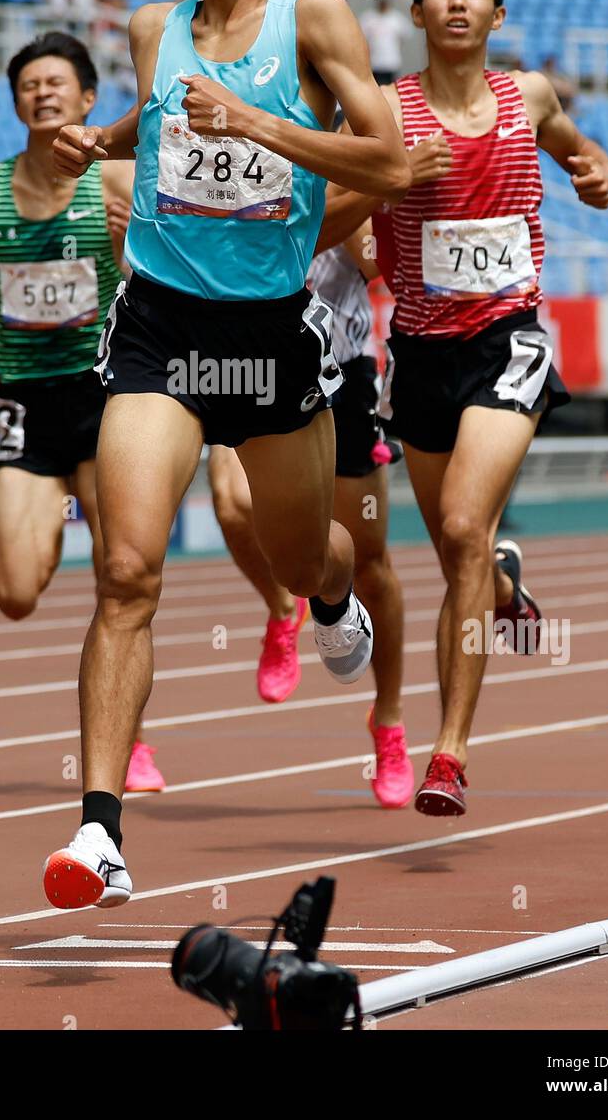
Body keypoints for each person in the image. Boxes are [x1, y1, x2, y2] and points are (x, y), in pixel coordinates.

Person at [41, 0, 411, 910]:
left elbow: (386, 157)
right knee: (125, 573)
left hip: (268, 339)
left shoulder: (316, 16)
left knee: (306, 561)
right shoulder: (156, 25)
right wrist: (97, 143)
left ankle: (335, 605)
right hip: (159, 326)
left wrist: (257, 119)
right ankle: (99, 832)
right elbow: (160, 126)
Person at [320, 0, 608, 817]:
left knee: (456, 528)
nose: (455, 4)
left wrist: (593, 172)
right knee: (462, 547)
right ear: (415, 7)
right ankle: (498, 582)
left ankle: (447, 754)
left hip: (508, 340)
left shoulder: (526, 94)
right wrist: (386, 184)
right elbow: (324, 229)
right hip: (418, 353)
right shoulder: (380, 108)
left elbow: (578, 151)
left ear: (495, 9)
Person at [0, 30, 164, 794]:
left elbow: (180, 254)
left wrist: (135, 251)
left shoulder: (118, 181)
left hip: (108, 398)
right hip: (24, 405)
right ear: (15, 103)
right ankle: (57, 506)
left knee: (122, 579)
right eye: (28, 85)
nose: (42, 93)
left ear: (88, 99)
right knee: (15, 594)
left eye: (56, 82)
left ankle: (128, 741)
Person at [209, 220, 412, 807]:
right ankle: (283, 606)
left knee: (369, 563)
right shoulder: (234, 133)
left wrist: (320, 208)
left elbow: (376, 265)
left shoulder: (351, 144)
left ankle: (390, 724)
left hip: (341, 369)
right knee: (232, 501)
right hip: (246, 363)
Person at [360, 0, 409, 86]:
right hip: (374, 62)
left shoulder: (396, 18)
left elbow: (403, 36)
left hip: (391, 62)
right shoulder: (369, 18)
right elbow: (362, 37)